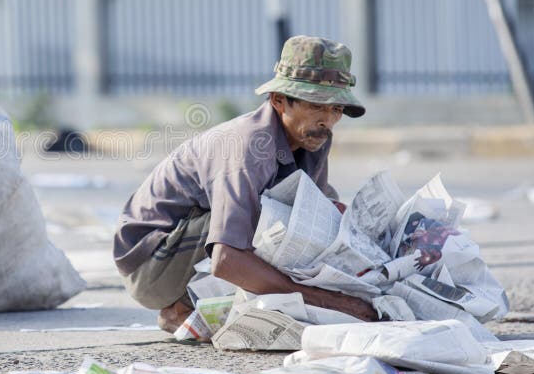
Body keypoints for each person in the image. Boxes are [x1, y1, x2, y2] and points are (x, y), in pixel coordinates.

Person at [112, 35, 378, 333]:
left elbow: (312, 219)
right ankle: (181, 307)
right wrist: (326, 301)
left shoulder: (314, 138)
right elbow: (227, 259)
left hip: (194, 248)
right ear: (278, 101)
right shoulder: (249, 147)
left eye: (336, 109)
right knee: (258, 219)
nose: (327, 120)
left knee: (316, 211)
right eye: (317, 106)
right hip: (150, 265)